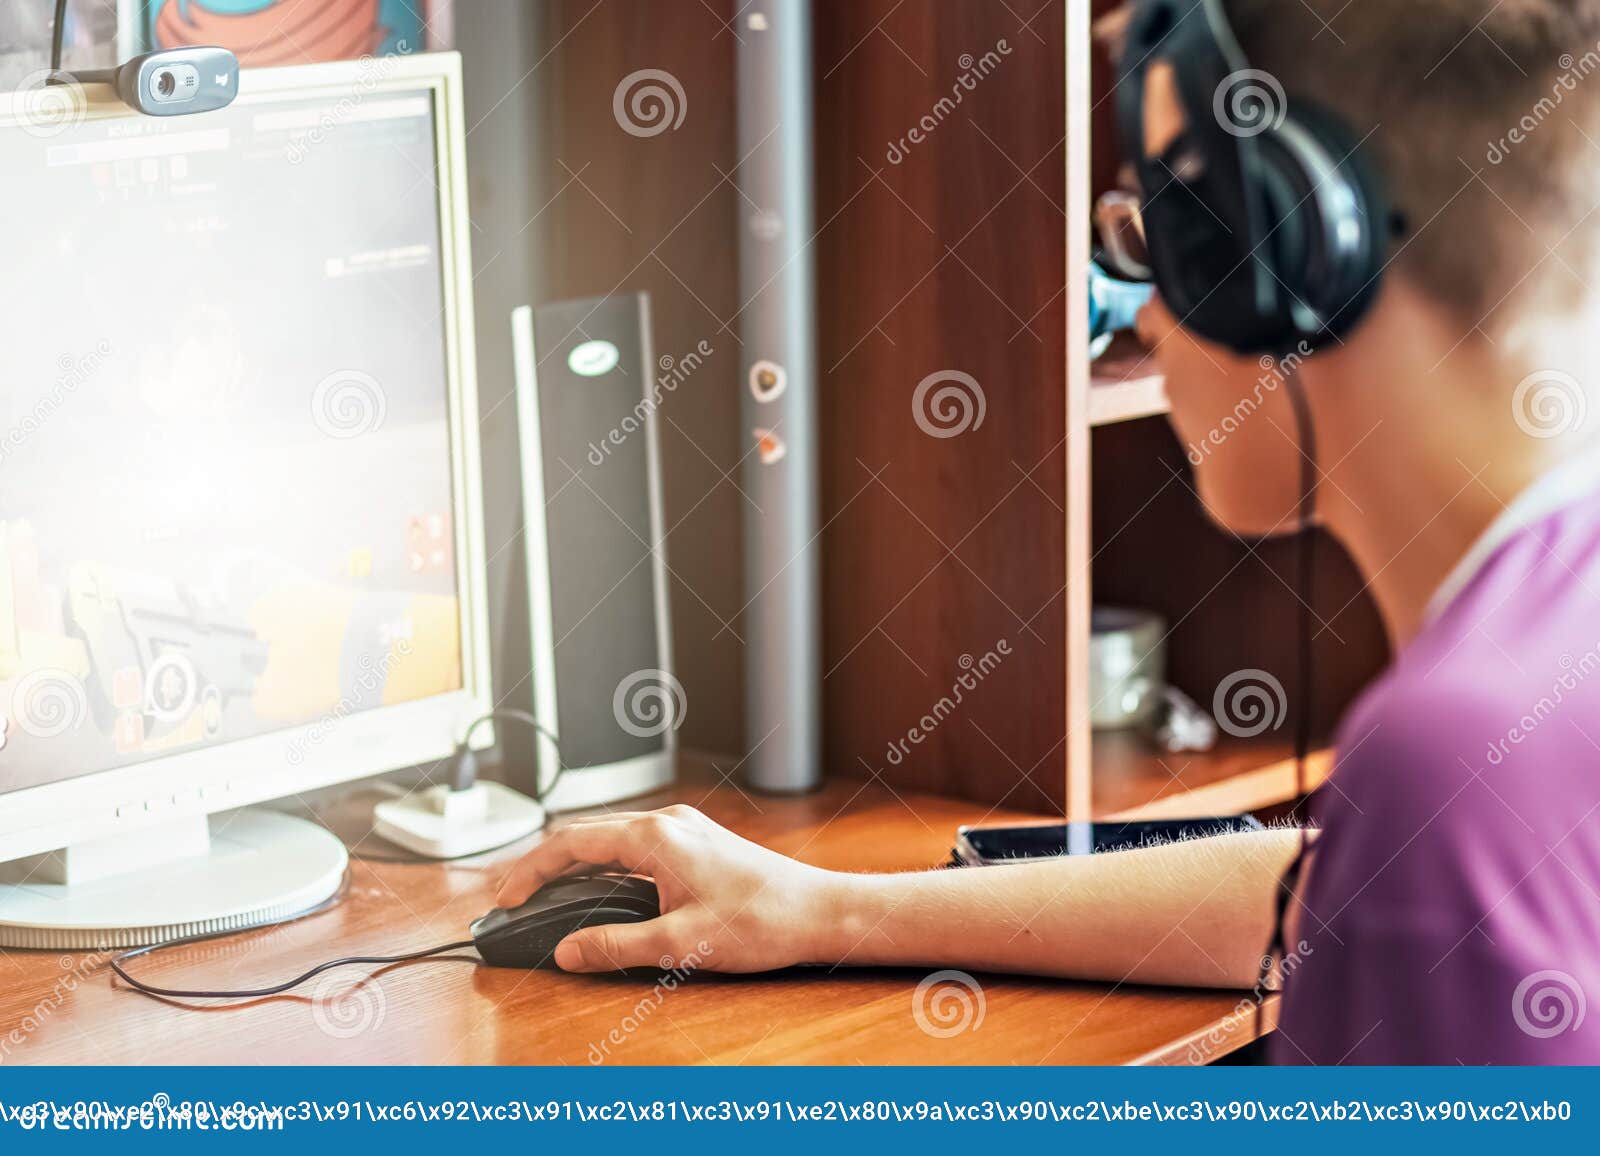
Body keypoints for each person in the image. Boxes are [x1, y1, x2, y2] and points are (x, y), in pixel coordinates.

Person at [498, 0, 1600, 1063]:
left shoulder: (1455, 758)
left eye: (1165, 232)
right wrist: (821, 907)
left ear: (1284, 258)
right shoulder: (1533, 701)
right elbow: (1339, 887)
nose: (1150, 312)